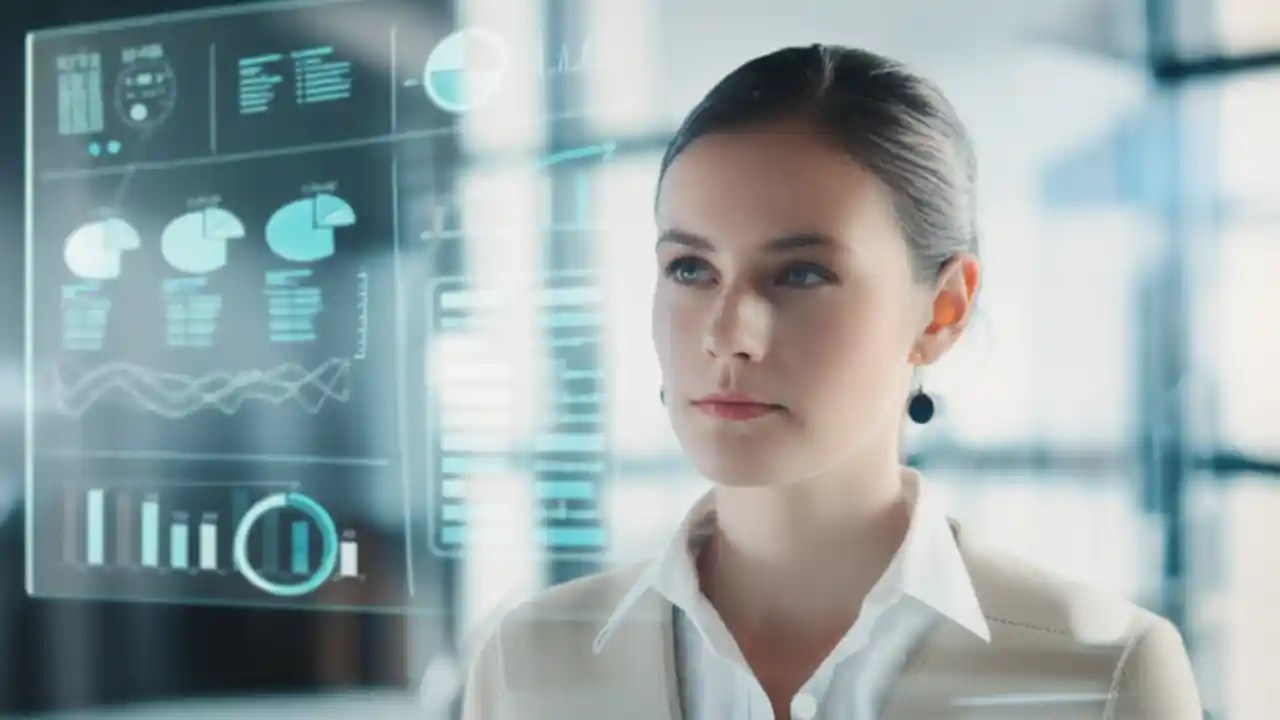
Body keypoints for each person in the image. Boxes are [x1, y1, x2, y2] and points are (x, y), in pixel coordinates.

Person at [457, 44, 1204, 719]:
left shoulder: (1103, 678)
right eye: (689, 268)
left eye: (803, 274)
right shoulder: (529, 664)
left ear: (943, 309)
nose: (727, 332)